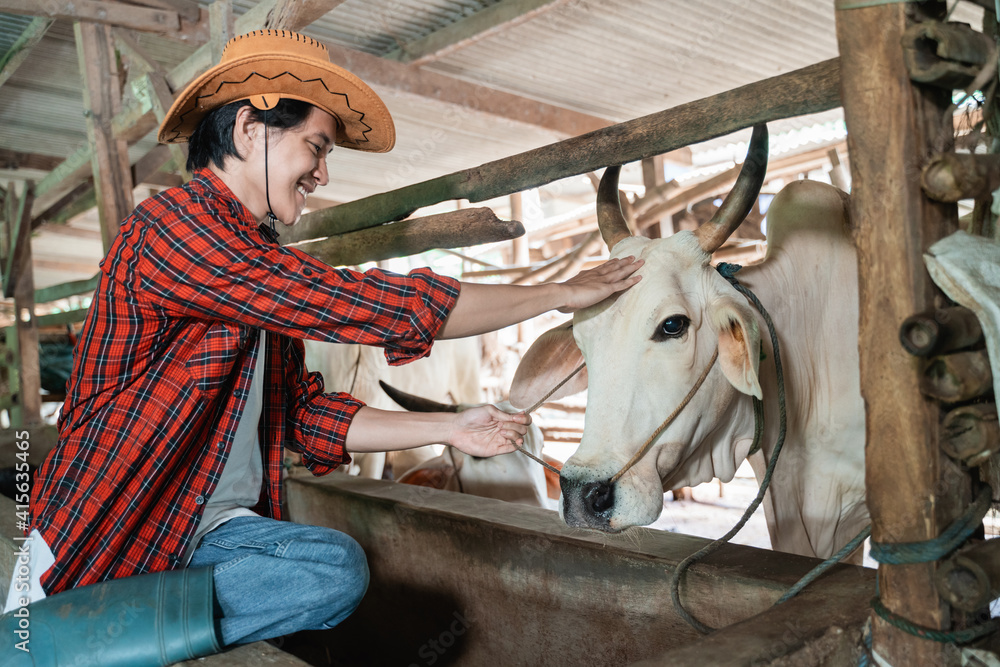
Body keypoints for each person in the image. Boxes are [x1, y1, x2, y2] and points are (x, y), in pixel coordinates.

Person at [6, 29, 642, 656]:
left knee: (331, 569)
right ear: (250, 130)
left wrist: (451, 427)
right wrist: (559, 294)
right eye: (315, 145)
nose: (322, 171)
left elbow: (307, 419)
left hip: (212, 540)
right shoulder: (173, 228)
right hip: (120, 530)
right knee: (320, 574)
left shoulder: (256, 261)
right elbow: (360, 306)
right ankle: (69, 631)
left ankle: (143, 629)